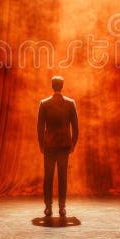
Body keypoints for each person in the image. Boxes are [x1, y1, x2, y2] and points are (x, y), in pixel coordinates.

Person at [37, 75, 79, 217]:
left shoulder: (44, 103)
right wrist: (73, 143)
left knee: (48, 177)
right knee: (63, 177)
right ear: (62, 86)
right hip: (64, 145)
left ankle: (48, 207)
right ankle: (62, 207)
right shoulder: (70, 103)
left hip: (49, 145)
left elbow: (40, 128)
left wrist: (41, 144)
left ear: (52, 86)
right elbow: (76, 127)